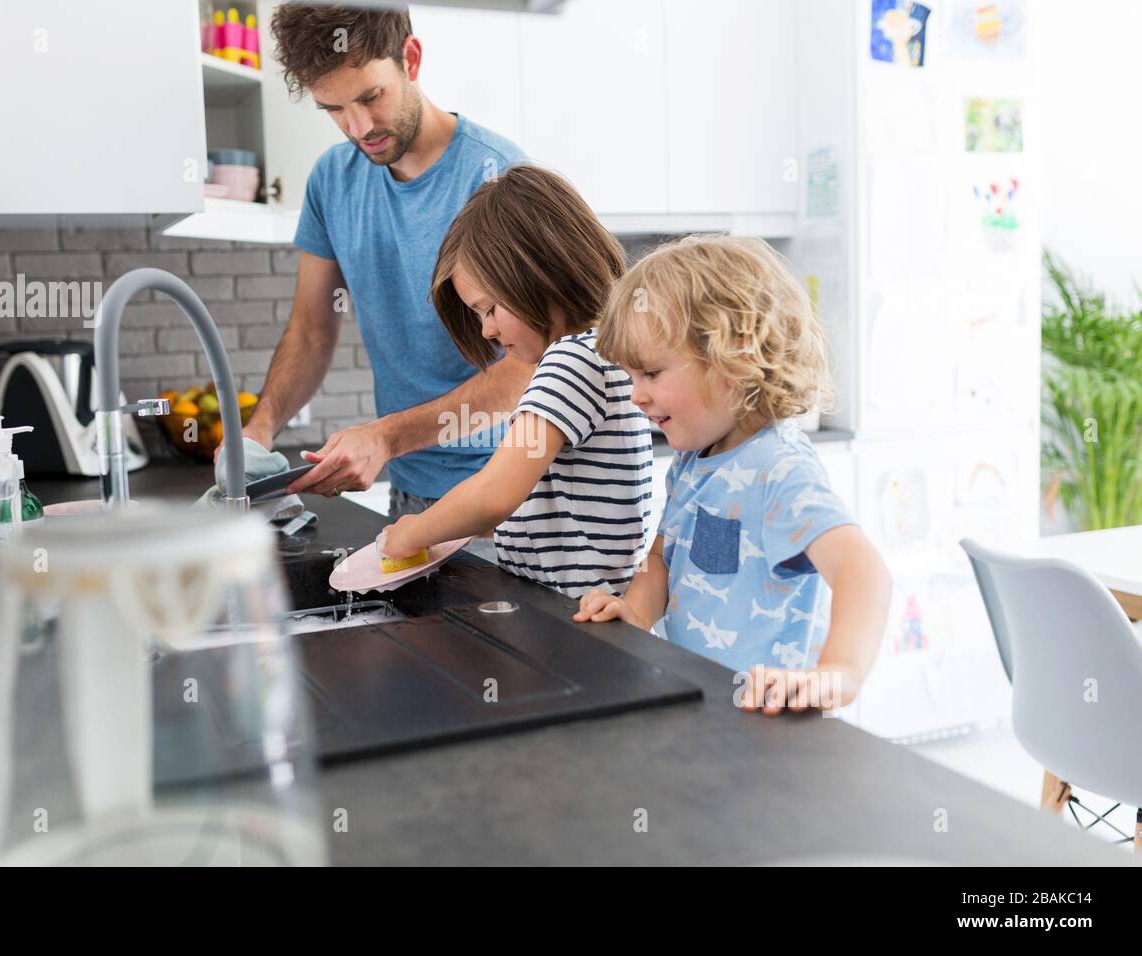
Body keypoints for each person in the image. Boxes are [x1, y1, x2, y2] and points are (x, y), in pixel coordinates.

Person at [573, 235, 891, 714]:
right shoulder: (692, 458)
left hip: (767, 722)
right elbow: (662, 558)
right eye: (630, 377)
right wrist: (634, 612)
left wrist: (838, 672)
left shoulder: (779, 468)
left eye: (652, 374)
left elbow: (863, 571)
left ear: (732, 360)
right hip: (704, 704)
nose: (636, 395)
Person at [237, 4, 531, 520]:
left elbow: (527, 367)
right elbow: (310, 332)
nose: (358, 127)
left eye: (371, 96)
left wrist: (386, 438)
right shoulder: (332, 180)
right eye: (333, 108)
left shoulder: (498, 176)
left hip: (512, 491)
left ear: (410, 59)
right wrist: (257, 432)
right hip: (410, 492)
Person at [378, 166, 653, 598]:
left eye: (489, 309)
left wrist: (415, 532)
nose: (486, 331)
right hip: (594, 605)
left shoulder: (569, 361)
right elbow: (544, 498)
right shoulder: (609, 350)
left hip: (568, 615)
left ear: (537, 274)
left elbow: (495, 494)